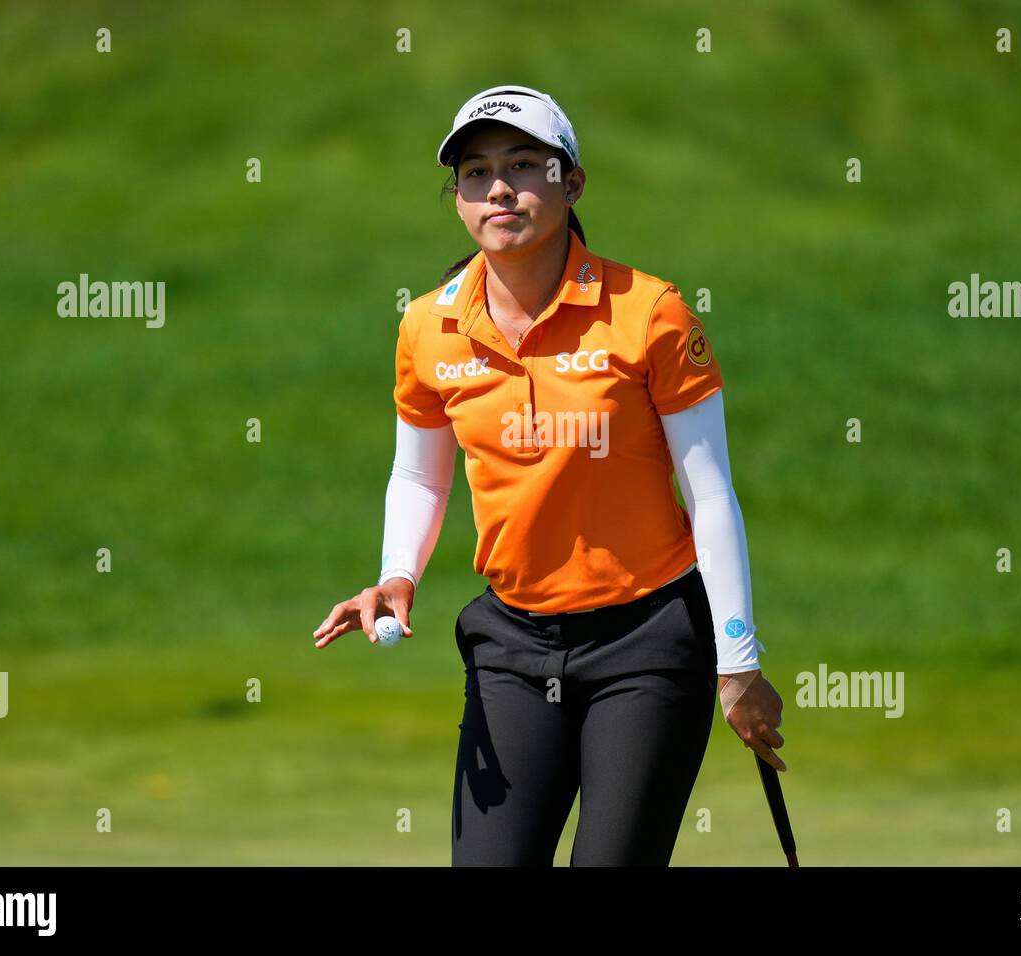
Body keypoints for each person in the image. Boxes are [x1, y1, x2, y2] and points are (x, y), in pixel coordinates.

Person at [314, 84, 786, 866]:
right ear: (459, 200)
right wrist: (397, 575)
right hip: (513, 643)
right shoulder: (427, 325)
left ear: (572, 183)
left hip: (648, 639)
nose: (498, 188)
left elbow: (710, 495)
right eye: (474, 172)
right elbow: (421, 476)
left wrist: (737, 662)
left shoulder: (650, 312)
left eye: (525, 164)